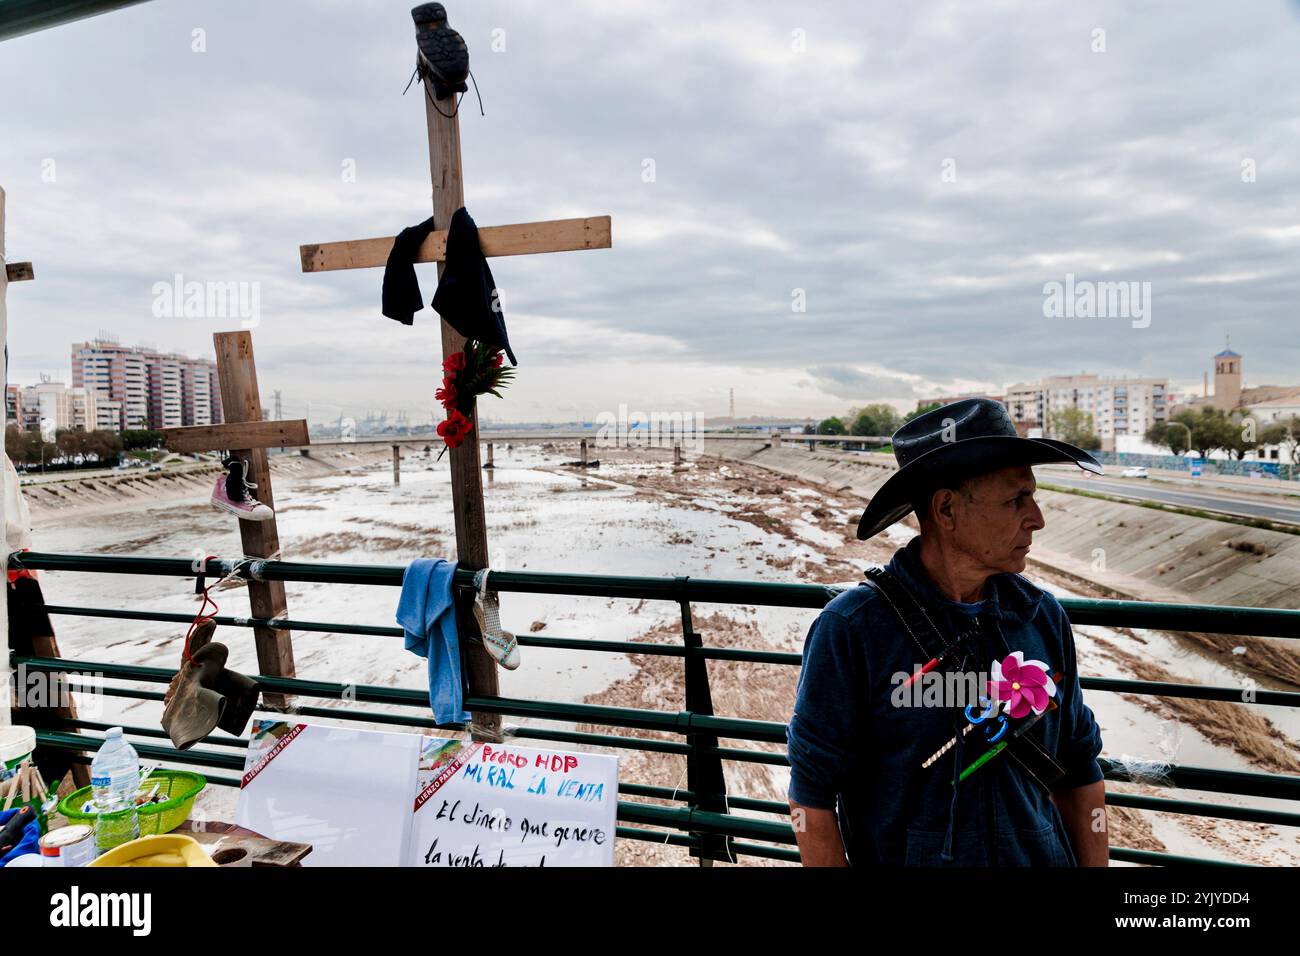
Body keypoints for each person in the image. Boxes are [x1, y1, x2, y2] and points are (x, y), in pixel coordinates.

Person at [787, 398, 1108, 866]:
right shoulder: (854, 629)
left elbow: (1080, 772)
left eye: (1032, 496)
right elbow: (810, 800)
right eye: (1015, 499)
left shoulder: (1042, 618)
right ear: (946, 509)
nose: (1036, 518)